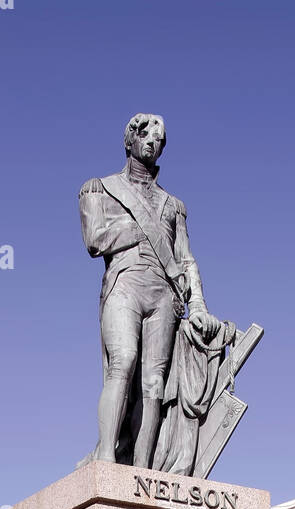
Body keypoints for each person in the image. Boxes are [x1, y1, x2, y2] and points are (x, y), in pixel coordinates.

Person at [79, 113, 222, 469]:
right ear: (128, 141)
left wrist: (199, 305)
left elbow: (186, 259)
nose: (152, 142)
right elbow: (95, 239)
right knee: (122, 361)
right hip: (124, 283)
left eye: (159, 139)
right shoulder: (100, 188)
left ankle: (142, 473)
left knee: (155, 385)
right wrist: (144, 228)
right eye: (143, 134)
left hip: (164, 296)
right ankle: (107, 460)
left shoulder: (174, 206)